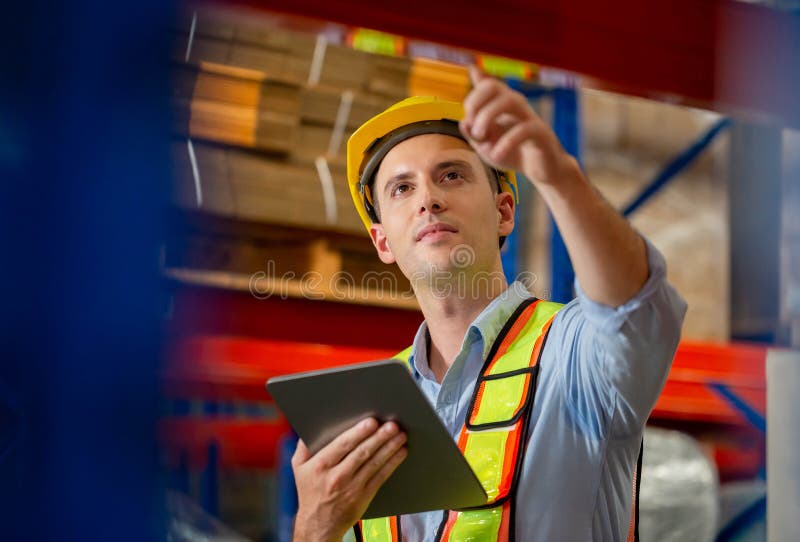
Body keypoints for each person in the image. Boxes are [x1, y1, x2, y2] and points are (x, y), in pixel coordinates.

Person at [290, 66, 687, 541]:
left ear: (504, 212)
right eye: (402, 188)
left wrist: (557, 175)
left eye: (451, 175)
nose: (428, 200)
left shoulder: (575, 356)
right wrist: (315, 526)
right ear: (383, 243)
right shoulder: (368, 410)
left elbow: (636, 307)